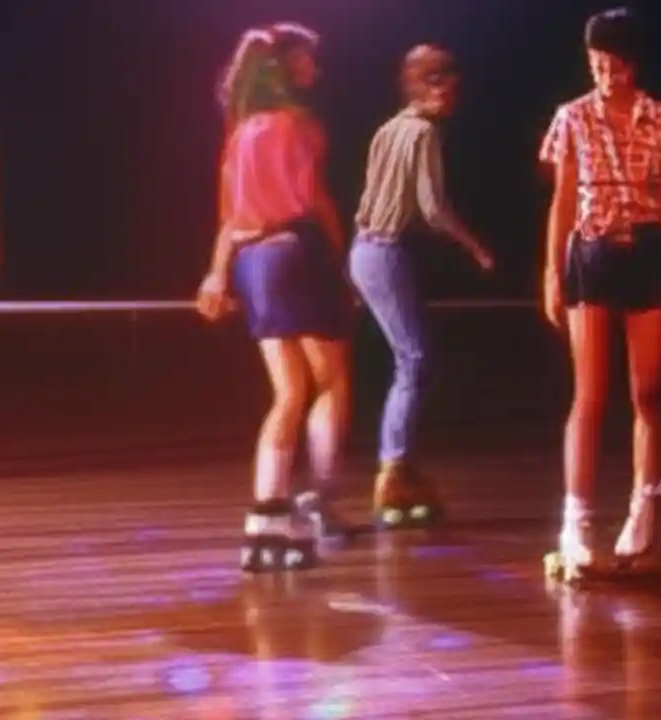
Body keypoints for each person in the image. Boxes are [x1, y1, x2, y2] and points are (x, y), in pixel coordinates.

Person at [538, 7, 661, 579]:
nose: (605, 74)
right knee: (590, 394)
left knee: (647, 392)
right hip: (592, 252)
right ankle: (576, 518)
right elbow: (561, 200)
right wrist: (552, 271)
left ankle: (643, 505)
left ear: (633, 63)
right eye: (596, 63)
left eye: (614, 64)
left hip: (646, 250)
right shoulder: (573, 117)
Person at [196, 22, 351, 572]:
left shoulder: (241, 133)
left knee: (287, 393)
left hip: (253, 264)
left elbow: (230, 221)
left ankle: (266, 518)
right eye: (307, 60)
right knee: (331, 383)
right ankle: (321, 503)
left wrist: (216, 277)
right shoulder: (299, 126)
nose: (316, 70)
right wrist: (341, 262)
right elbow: (314, 202)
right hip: (296, 250)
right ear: (285, 67)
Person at [349, 44, 495, 529]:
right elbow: (432, 209)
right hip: (384, 250)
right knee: (414, 360)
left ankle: (403, 466)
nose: (456, 98)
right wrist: (475, 247)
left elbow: (368, 199)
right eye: (449, 88)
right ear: (431, 86)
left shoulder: (386, 129)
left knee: (414, 361)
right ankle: (392, 469)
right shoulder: (423, 133)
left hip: (365, 251)